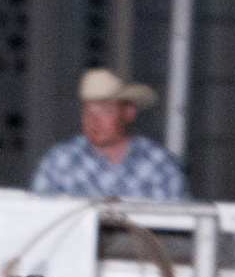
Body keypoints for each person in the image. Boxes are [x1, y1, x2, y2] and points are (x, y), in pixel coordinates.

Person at [28, 68, 187, 199]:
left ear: (128, 112)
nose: (94, 120)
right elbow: (39, 217)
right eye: (87, 110)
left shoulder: (158, 164)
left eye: (105, 110)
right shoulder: (60, 162)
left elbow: (179, 223)